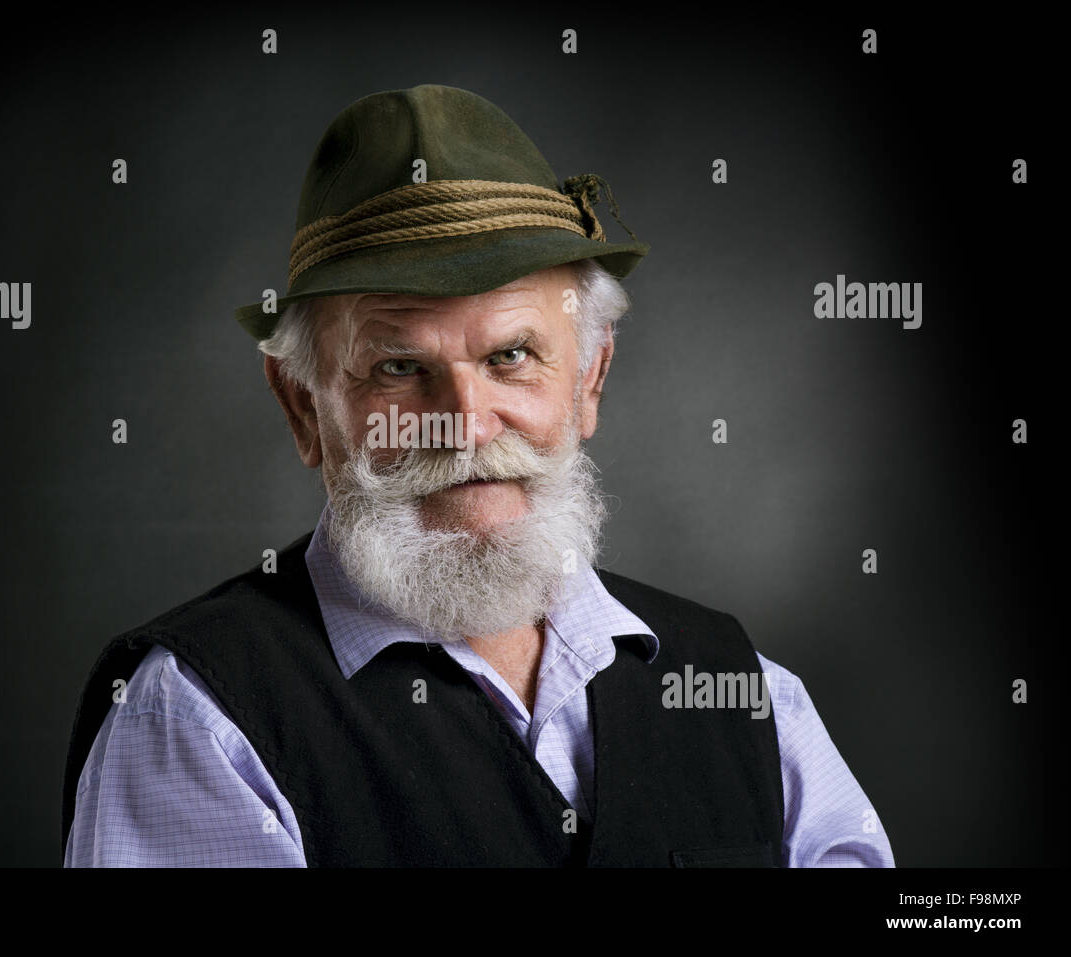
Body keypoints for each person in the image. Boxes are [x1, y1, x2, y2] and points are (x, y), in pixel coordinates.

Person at [61, 84, 894, 867]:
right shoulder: (198, 717)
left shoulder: (745, 692)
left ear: (589, 379)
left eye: (511, 356)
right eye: (396, 366)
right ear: (304, 409)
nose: (462, 424)